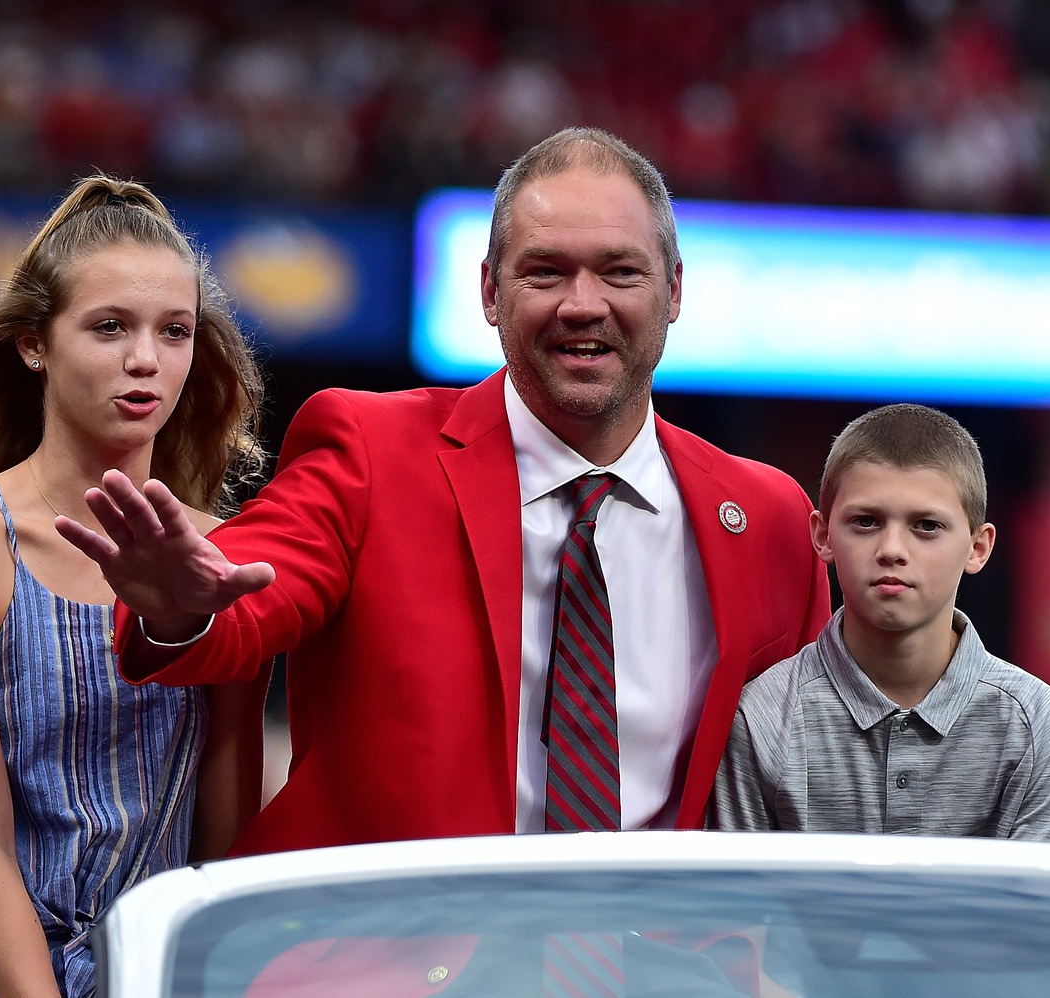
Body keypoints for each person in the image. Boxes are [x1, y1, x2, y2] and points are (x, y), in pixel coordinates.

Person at [60, 126, 831, 856]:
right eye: (546, 271)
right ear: (491, 291)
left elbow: (813, 772)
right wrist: (180, 607)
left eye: (619, 271)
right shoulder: (369, 450)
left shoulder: (768, 518)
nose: (583, 304)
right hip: (400, 964)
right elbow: (247, 594)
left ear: (674, 290)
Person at [0, 175, 268, 997]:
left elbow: (223, 847)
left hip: (141, 974)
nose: (146, 359)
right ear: (35, 342)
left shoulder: (223, 560)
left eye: (174, 331)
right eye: (109, 327)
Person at [712, 403, 1050, 840]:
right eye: (865, 521)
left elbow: (1037, 908)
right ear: (823, 535)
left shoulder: (1037, 723)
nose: (891, 549)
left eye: (926, 526)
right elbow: (745, 905)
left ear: (977, 548)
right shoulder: (760, 718)